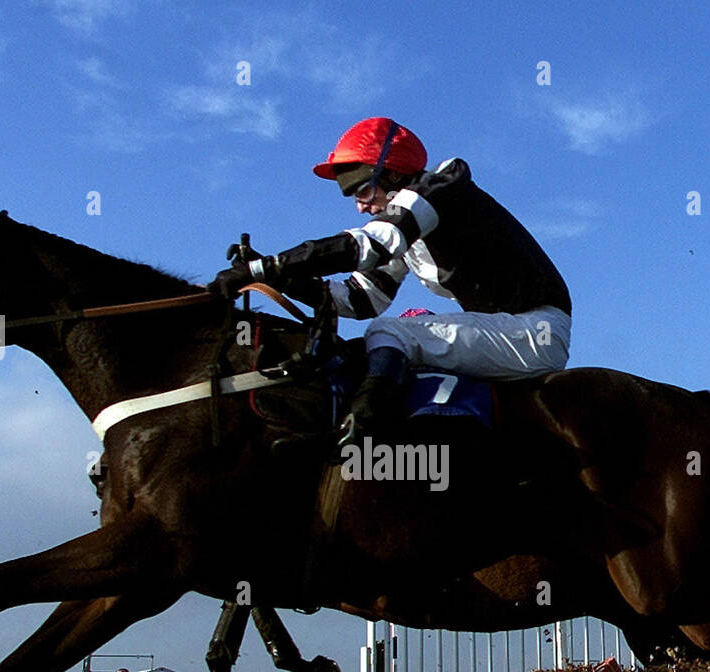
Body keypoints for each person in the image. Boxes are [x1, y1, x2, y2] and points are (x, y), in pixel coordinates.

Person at [212, 117, 572, 444]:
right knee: (362, 346)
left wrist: (268, 268)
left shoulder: (445, 184)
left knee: (392, 332)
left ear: (394, 174)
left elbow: (368, 245)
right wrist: (278, 276)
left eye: (361, 189)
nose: (360, 205)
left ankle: (360, 433)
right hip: (505, 328)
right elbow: (358, 299)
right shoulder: (405, 228)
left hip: (535, 330)